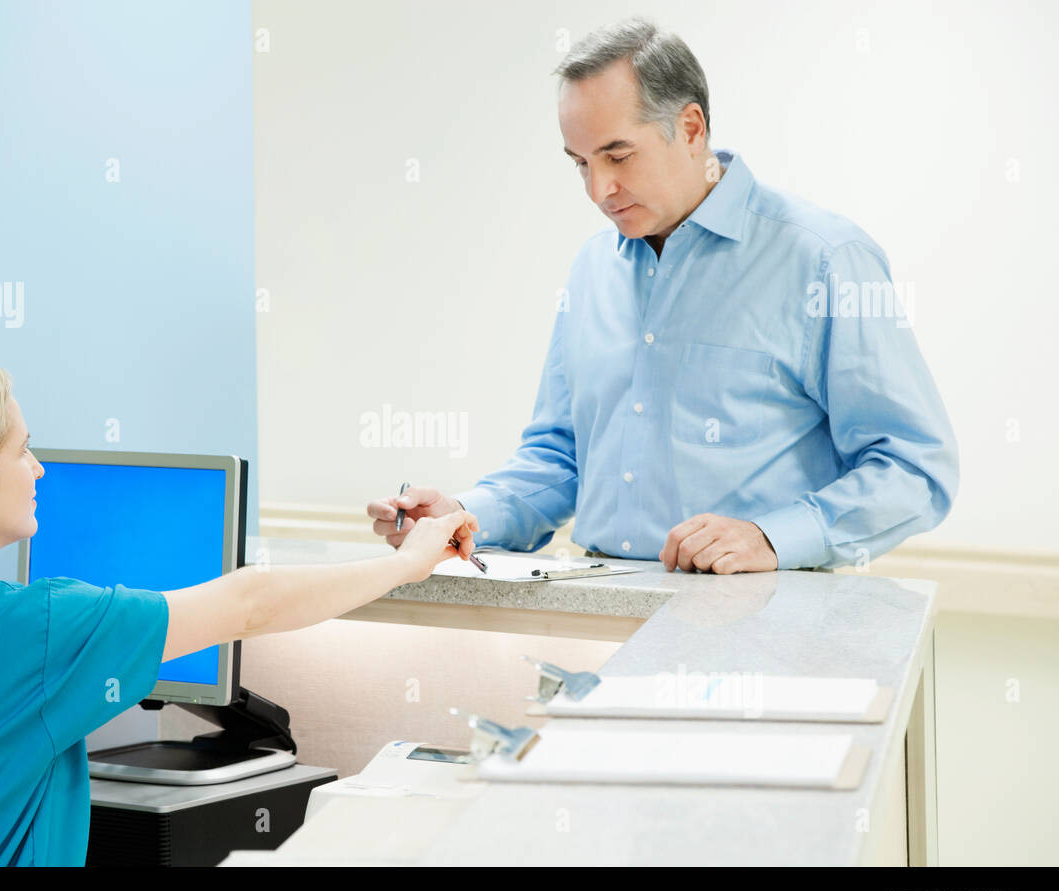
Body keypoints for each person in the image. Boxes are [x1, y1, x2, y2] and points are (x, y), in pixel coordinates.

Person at [0, 359, 478, 865]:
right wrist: (410, 560)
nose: (39, 468)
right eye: (23, 450)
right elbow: (250, 601)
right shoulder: (33, 631)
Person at [368, 18, 957, 574]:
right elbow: (564, 458)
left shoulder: (825, 259)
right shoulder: (591, 269)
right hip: (594, 620)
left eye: (618, 155)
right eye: (580, 163)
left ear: (692, 128)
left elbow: (914, 468)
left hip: (763, 633)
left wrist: (773, 536)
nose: (599, 189)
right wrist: (464, 515)